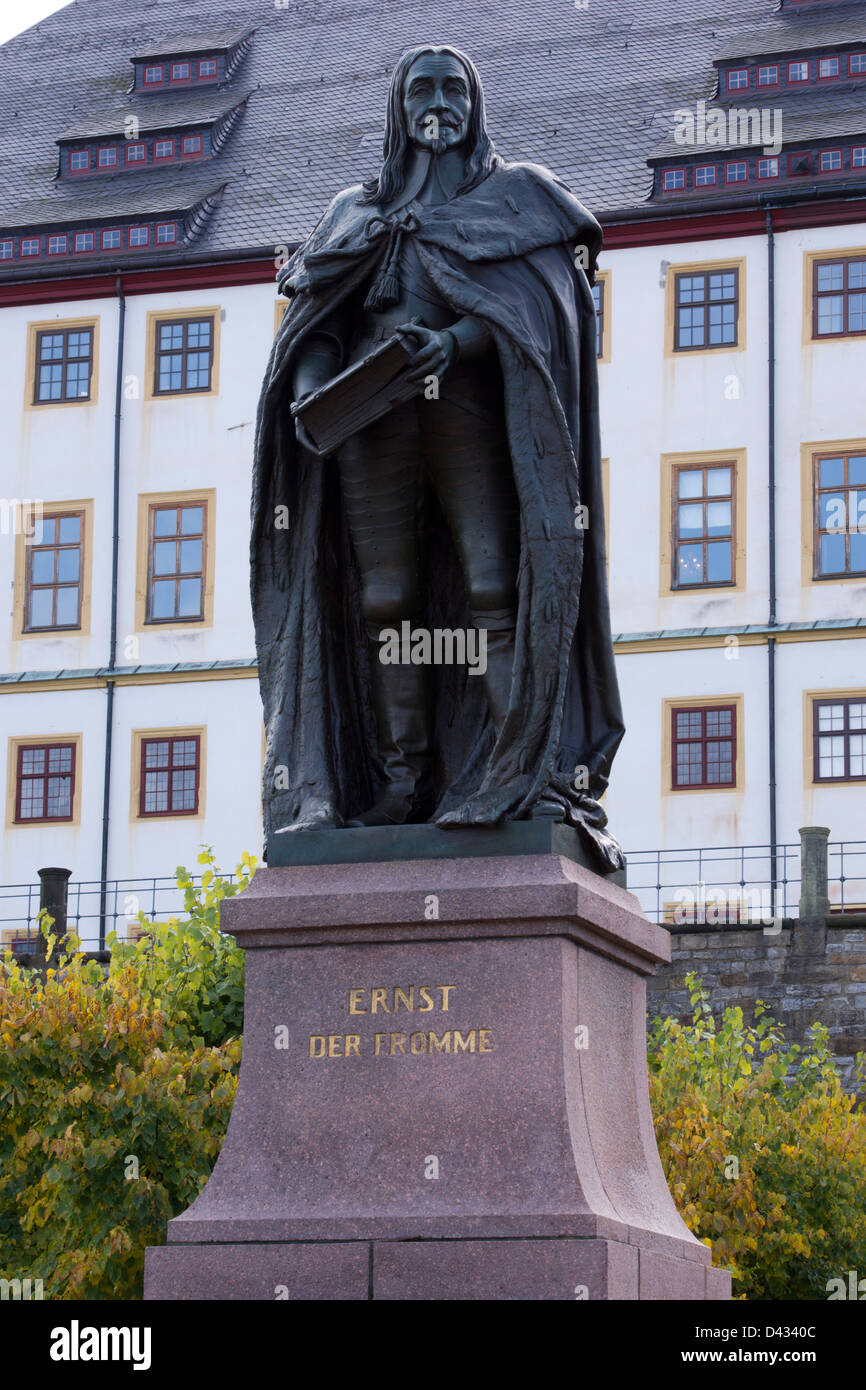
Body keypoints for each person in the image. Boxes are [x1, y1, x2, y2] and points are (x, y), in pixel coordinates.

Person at [252, 43, 625, 871]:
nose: (438, 101)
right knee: (386, 600)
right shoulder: (355, 211)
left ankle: (519, 773)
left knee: (493, 583)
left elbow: (540, 316)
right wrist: (319, 390)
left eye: (453, 88)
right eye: (422, 88)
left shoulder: (518, 198)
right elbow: (318, 324)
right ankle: (400, 783)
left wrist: (452, 342)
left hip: (465, 409)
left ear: (475, 104)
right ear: (398, 106)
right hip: (370, 419)